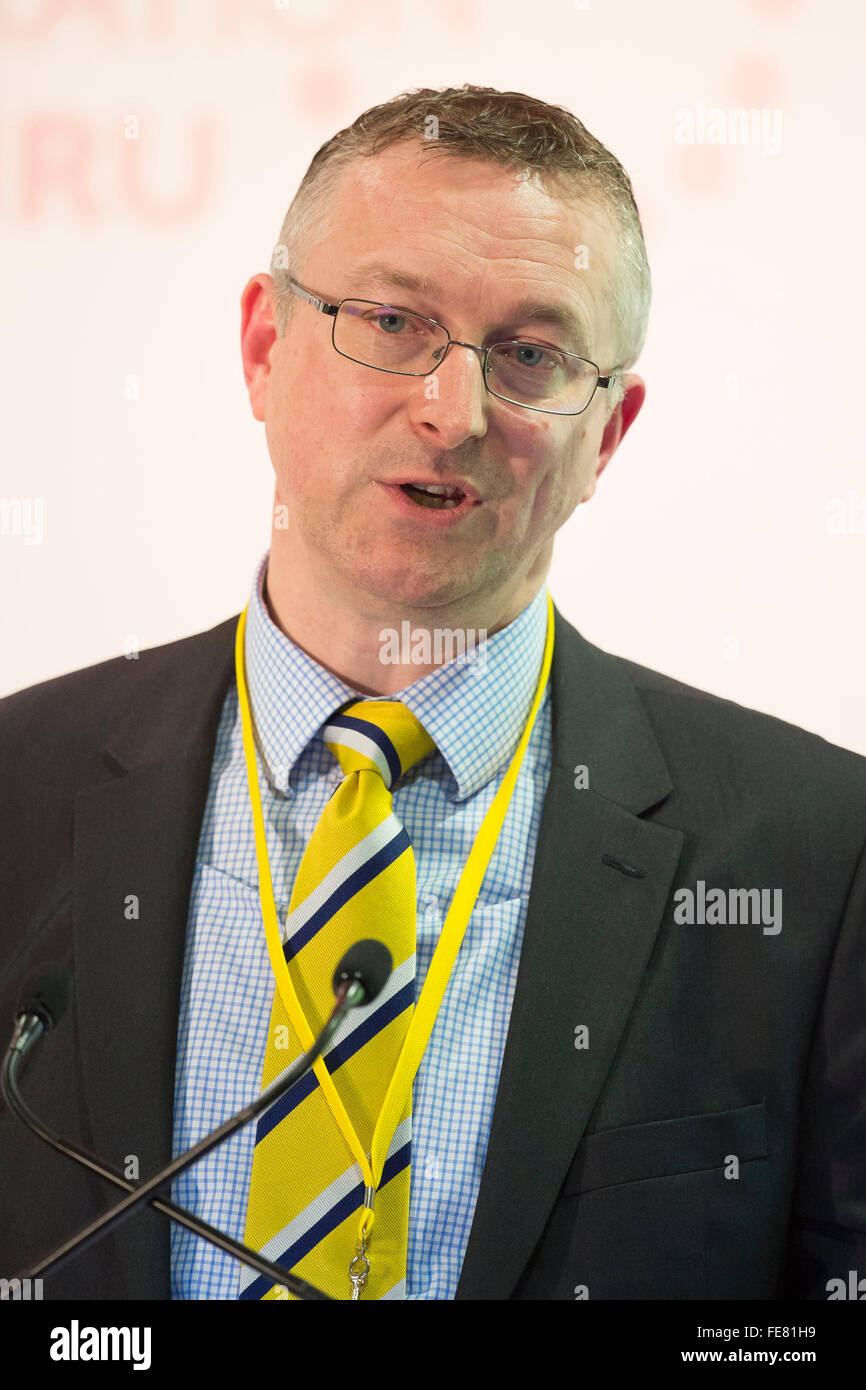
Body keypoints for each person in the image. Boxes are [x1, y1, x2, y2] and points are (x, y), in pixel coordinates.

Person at [1, 85, 864, 1302]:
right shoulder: (18, 788)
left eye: (529, 355)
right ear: (262, 349)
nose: (450, 413)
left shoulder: (816, 858)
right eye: (392, 320)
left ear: (605, 435)